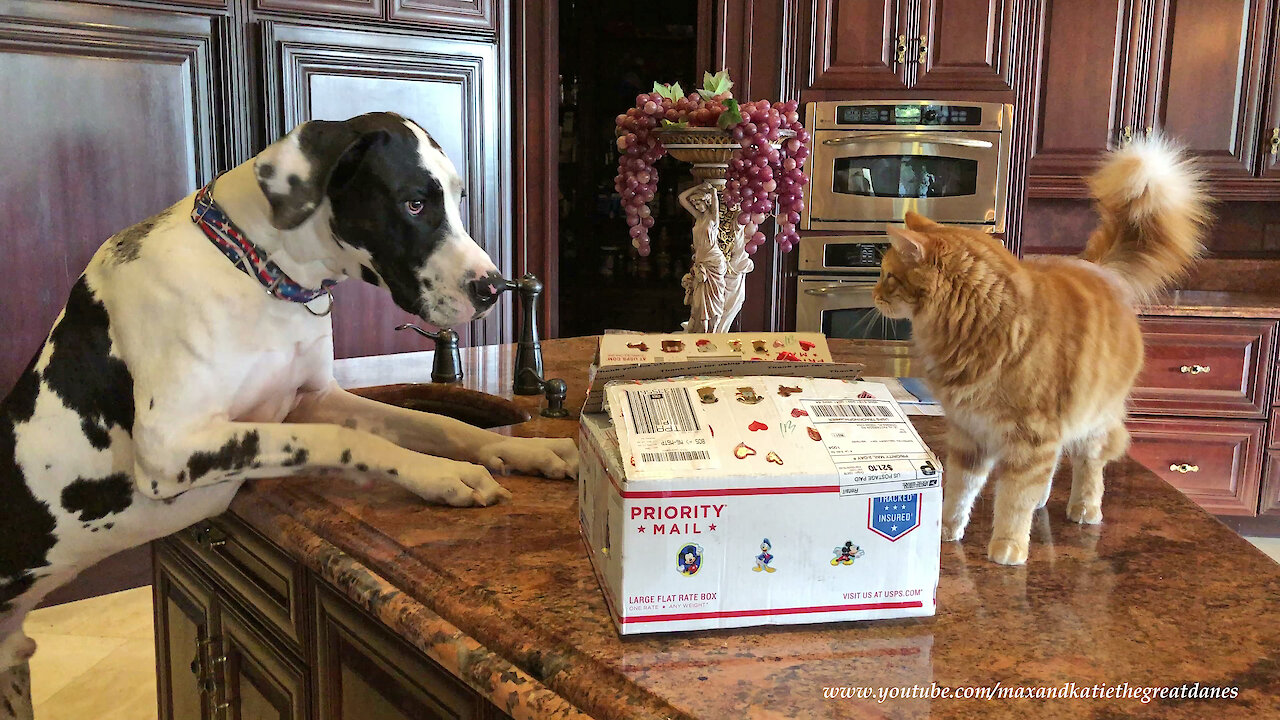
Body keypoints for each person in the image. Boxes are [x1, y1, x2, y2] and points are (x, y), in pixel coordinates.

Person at [678, 183, 727, 332]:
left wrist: (712, 191)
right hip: (700, 261)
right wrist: (698, 186)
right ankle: (699, 331)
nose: (698, 207)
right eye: (695, 204)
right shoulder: (698, 218)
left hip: (713, 261)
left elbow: (715, 206)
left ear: (707, 202)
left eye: (699, 203)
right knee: (699, 302)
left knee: (714, 299)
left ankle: (712, 330)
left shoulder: (713, 219)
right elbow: (682, 198)